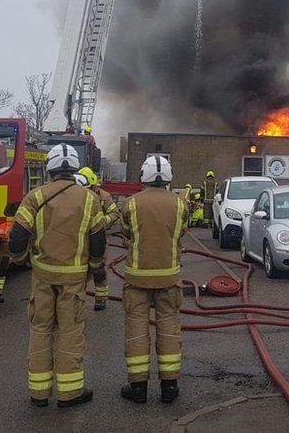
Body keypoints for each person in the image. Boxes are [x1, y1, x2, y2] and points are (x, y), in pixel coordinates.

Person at [9, 144, 106, 408]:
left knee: (40, 329)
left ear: (50, 168)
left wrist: (21, 260)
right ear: (74, 167)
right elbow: (98, 240)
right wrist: (94, 265)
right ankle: (70, 393)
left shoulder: (35, 196)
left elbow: (17, 235)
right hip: (74, 278)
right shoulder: (89, 199)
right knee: (70, 331)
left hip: (42, 276)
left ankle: (39, 393)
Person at [118, 155, 190, 404]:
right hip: (169, 278)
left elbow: (126, 232)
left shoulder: (130, 204)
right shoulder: (181, 205)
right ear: (168, 176)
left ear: (144, 176)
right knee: (169, 327)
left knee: (137, 330)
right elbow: (181, 232)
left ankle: (138, 389)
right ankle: (169, 387)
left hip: (137, 279)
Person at [78, 166, 120, 311]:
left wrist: (103, 221)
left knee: (99, 269)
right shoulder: (76, 194)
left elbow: (115, 212)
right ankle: (77, 298)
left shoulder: (104, 196)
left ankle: (101, 299)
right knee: (79, 270)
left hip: (98, 236)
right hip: (80, 238)